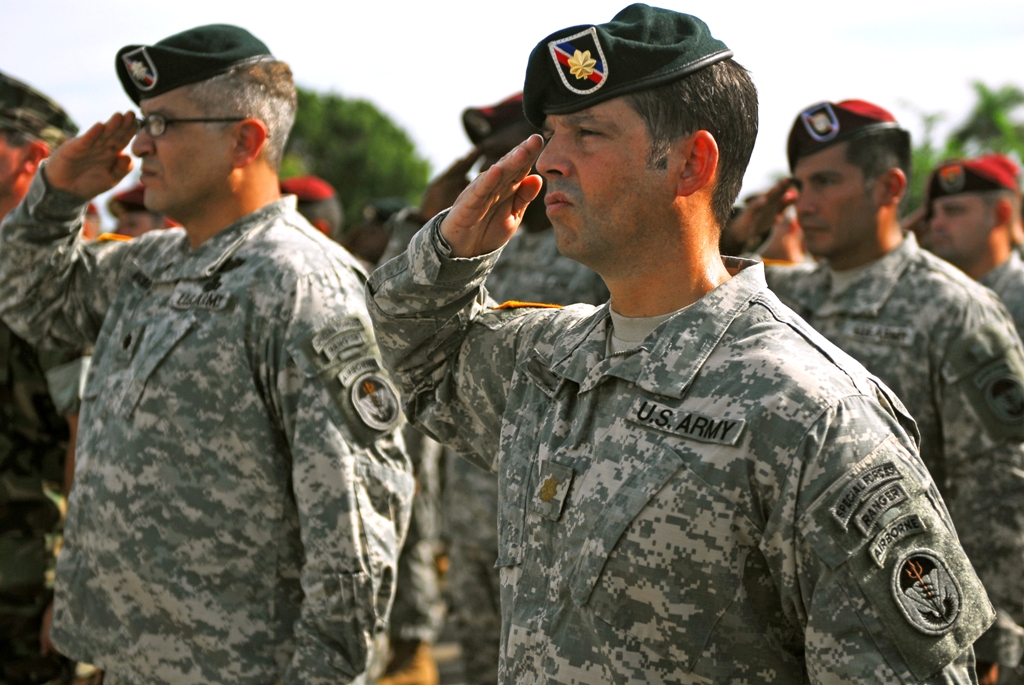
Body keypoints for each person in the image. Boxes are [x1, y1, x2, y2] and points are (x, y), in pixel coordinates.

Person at [367, 5, 994, 682]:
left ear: (691, 163)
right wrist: (450, 248)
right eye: (549, 135)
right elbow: (412, 357)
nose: (548, 160)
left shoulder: (813, 416)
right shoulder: (549, 359)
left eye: (586, 132)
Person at [0, 25, 414, 685]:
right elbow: (29, 300)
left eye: (161, 123)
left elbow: (355, 535)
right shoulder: (149, 263)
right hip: (131, 660)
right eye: (142, 121)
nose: (138, 145)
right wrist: (55, 194)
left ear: (244, 140)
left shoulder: (303, 284)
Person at [766, 99, 1024, 682]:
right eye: (800, 183)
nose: (804, 202)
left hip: (915, 634)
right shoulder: (786, 304)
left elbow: (997, 491)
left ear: (889, 187)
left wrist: (990, 641)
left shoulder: (956, 312)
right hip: (792, 628)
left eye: (826, 181)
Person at [0, 69, 87, 685]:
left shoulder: (63, 284)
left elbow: (91, 436)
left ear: (31, 157)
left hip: (27, 588)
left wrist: (78, 587)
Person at [926, 153, 1024, 337]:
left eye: (953, 210)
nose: (936, 224)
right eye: (933, 213)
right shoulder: (929, 292)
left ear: (1001, 214)